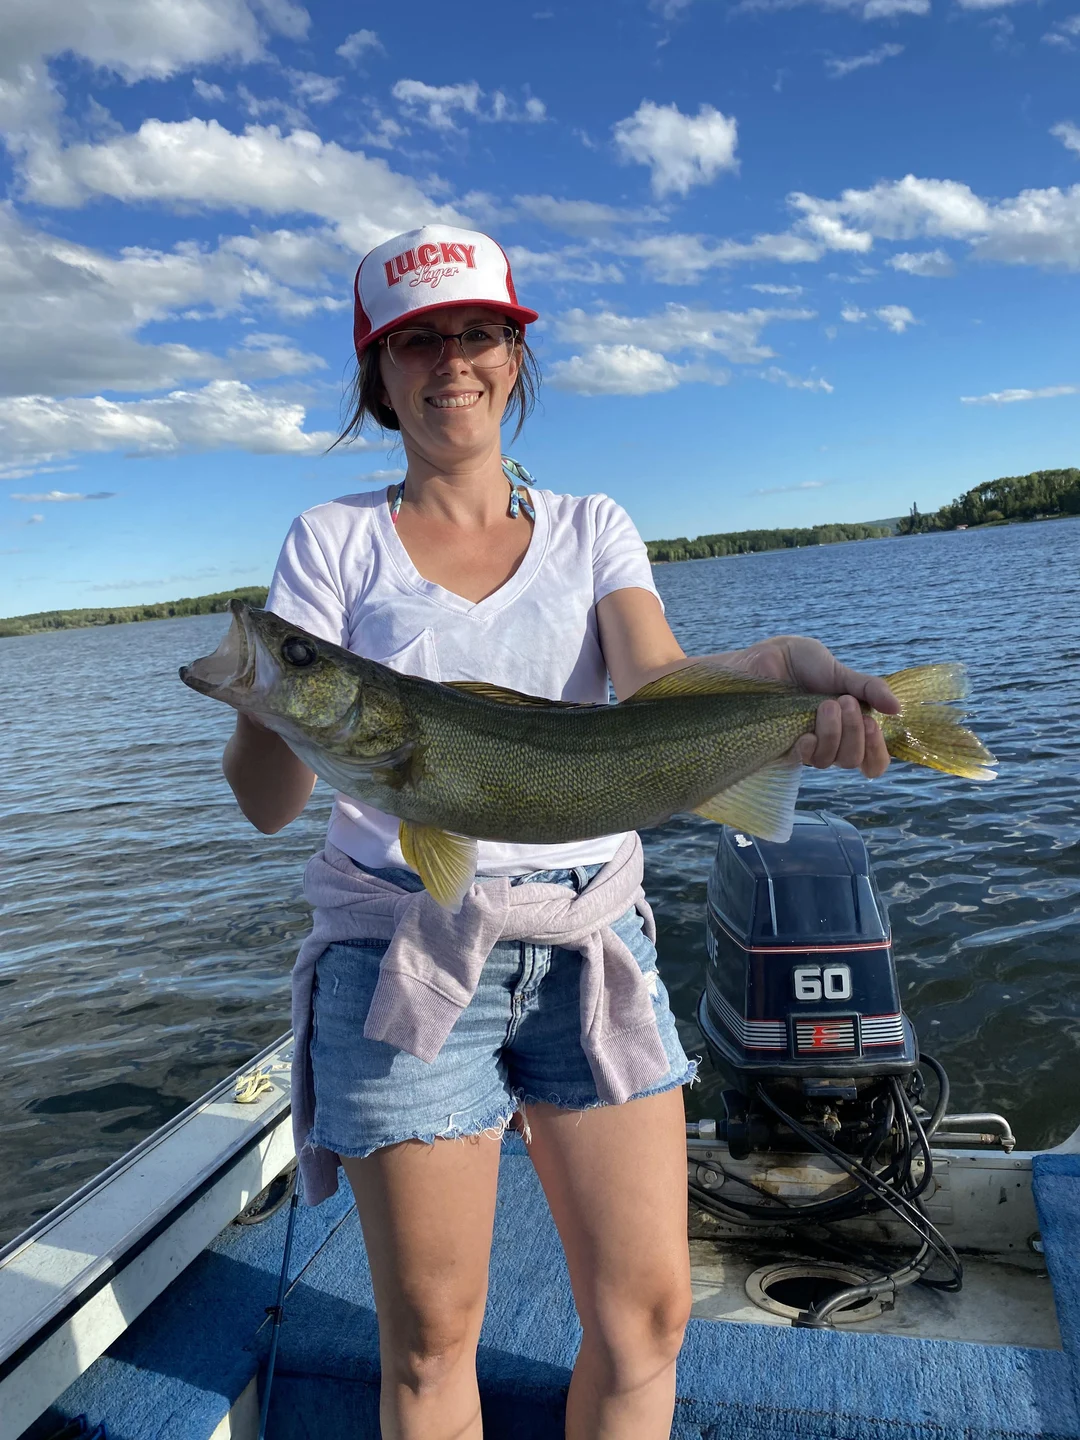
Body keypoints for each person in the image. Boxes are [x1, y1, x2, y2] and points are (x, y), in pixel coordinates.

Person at [222, 224, 899, 1440]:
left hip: (593, 945)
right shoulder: (330, 543)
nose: (452, 363)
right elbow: (271, 804)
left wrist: (779, 682)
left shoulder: (593, 526)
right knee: (431, 1343)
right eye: (416, 341)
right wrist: (266, 692)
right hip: (403, 960)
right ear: (375, 376)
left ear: (517, 356)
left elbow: (654, 690)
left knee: (647, 1320)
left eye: (478, 333)